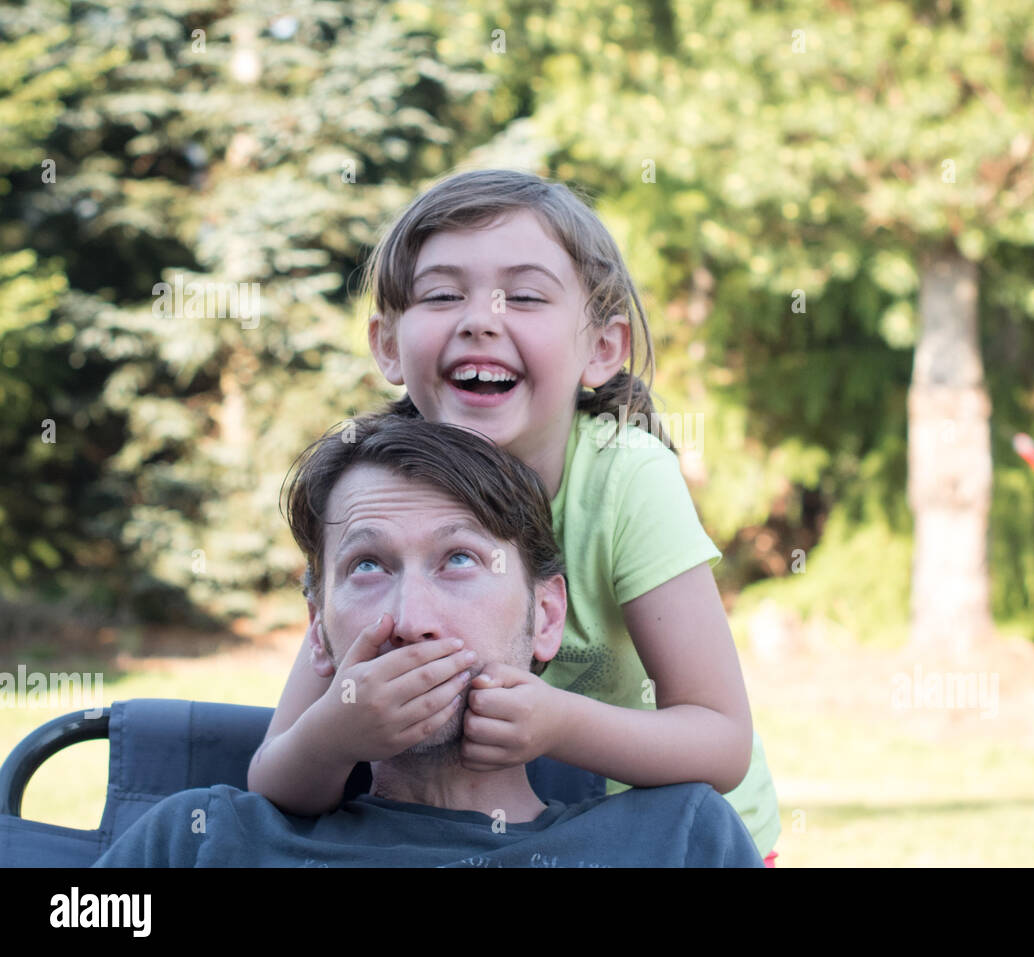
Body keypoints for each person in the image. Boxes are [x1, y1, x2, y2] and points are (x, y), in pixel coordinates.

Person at [247, 168, 780, 863]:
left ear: (603, 347)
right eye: (442, 294)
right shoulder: (385, 495)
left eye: (524, 296)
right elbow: (274, 775)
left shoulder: (628, 479)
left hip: (670, 842)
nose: (480, 318)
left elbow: (720, 742)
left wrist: (556, 723)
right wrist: (337, 732)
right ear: (386, 344)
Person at [94, 414, 762, 867]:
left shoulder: (675, 840)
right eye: (367, 565)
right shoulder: (198, 841)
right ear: (318, 631)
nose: (412, 618)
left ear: (548, 613)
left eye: (461, 560)